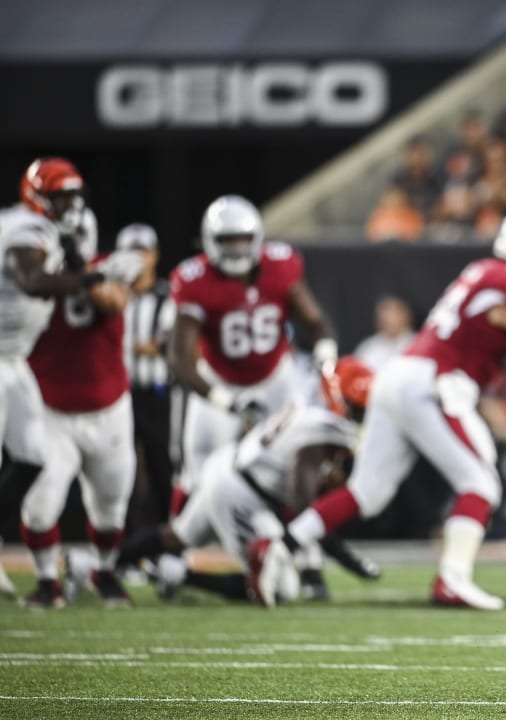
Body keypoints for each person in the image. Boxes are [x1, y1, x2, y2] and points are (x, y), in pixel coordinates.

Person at [252, 210, 506, 610]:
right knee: (481, 483)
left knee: (366, 492)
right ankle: (453, 578)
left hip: (402, 375)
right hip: (435, 382)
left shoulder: (485, 271)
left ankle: (279, 545)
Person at [168, 194, 339, 598]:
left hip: (276, 377)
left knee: (302, 465)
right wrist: (225, 401)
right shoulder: (194, 279)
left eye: (243, 240)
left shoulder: (280, 266)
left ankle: (309, 561)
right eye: (227, 241)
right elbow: (179, 358)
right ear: (210, 242)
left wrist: (326, 354)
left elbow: (315, 321)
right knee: (197, 473)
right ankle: (177, 560)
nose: (236, 250)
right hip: (219, 381)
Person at [110, 362, 370, 607]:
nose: (364, 415)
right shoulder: (327, 427)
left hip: (226, 466)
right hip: (241, 492)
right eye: (360, 408)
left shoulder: (307, 412)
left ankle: (102, 565)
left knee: (177, 537)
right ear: (343, 401)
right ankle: (180, 574)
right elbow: (301, 502)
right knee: (280, 587)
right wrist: (344, 555)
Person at [0, 157, 118, 606]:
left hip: (13, 360)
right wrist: (88, 277)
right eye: (61, 195)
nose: (69, 204)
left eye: (74, 194)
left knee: (31, 458)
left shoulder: (43, 228)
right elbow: (30, 280)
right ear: (38, 197)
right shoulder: (26, 229)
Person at [119, 223, 178, 528]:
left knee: (161, 468)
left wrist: (134, 346)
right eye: (131, 251)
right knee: (118, 470)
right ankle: (122, 545)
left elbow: (166, 344)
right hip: (119, 396)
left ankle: (167, 542)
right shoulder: (111, 294)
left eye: (143, 251)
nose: (138, 258)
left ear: (154, 255)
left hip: (155, 394)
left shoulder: (167, 296)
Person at [353, 296, 415, 371]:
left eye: (395, 314)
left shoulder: (417, 344)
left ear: (406, 316)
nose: (390, 320)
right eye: (385, 314)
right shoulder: (368, 346)